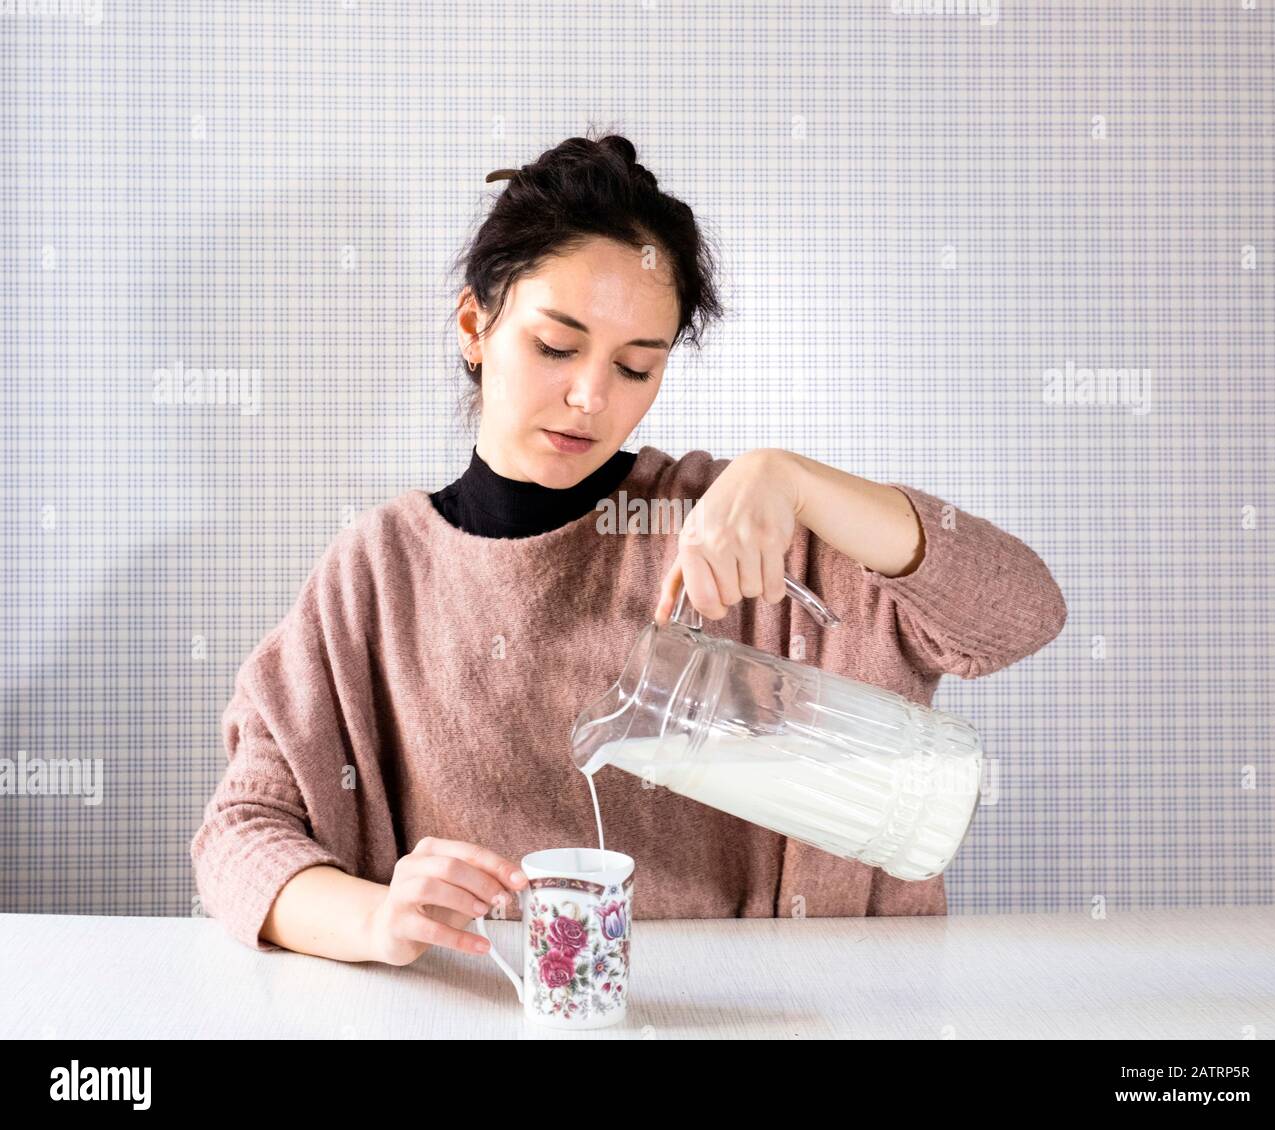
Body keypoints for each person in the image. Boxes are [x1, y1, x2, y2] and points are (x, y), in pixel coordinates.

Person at [190, 131, 1068, 965]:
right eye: (556, 346)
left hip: (774, 1010)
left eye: (635, 366)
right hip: (488, 1008)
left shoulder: (735, 529)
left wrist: (795, 478)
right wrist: (375, 917)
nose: (588, 397)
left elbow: (1022, 614)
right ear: (473, 328)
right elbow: (240, 834)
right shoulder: (377, 574)